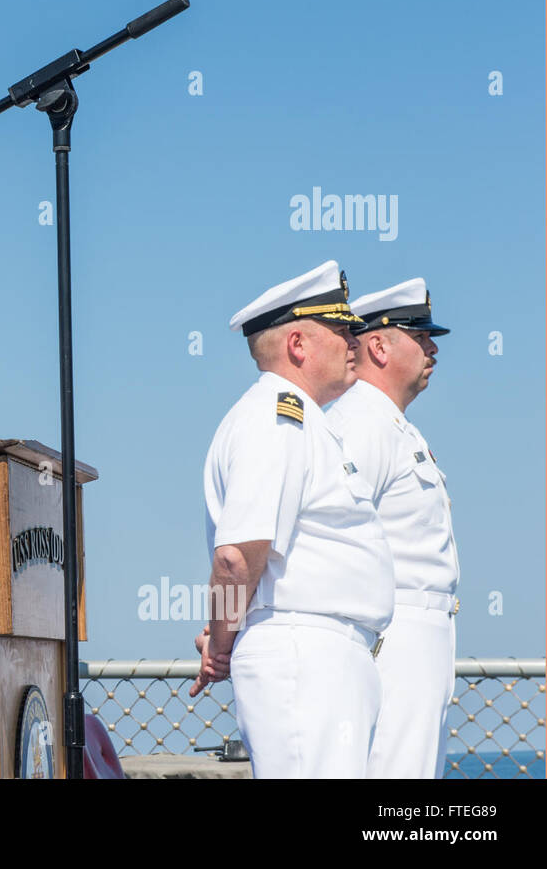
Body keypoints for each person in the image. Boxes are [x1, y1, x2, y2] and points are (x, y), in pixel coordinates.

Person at [192, 260, 394, 778]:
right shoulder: (276, 417)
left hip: (328, 657)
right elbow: (235, 558)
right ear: (299, 344)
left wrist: (221, 640)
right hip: (306, 655)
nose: (355, 342)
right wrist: (219, 643)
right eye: (342, 329)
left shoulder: (300, 420)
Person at [325, 279, 457, 779]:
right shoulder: (364, 423)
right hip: (392, 633)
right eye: (420, 335)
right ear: (378, 345)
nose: (433, 347)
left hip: (418, 633)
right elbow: (337, 530)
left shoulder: (391, 425)